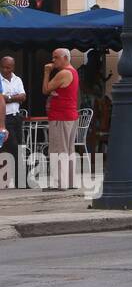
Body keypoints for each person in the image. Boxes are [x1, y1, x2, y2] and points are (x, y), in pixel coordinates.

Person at [42, 48, 80, 190]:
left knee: (58, 149)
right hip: (70, 115)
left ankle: (59, 182)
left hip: (61, 116)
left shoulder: (63, 73)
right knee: (68, 149)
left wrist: (46, 72)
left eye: (56, 57)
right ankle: (70, 182)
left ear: (65, 58)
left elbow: (45, 89)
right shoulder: (73, 72)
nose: (53, 60)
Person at [1, 56, 26, 177]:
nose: (6, 70)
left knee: (19, 147)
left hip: (17, 117)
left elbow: (23, 97)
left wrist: (9, 98)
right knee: (13, 147)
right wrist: (15, 97)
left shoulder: (17, 79)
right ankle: (21, 178)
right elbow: (1, 99)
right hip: (5, 117)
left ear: (13, 67)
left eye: (8, 68)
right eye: (3, 67)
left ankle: (14, 179)